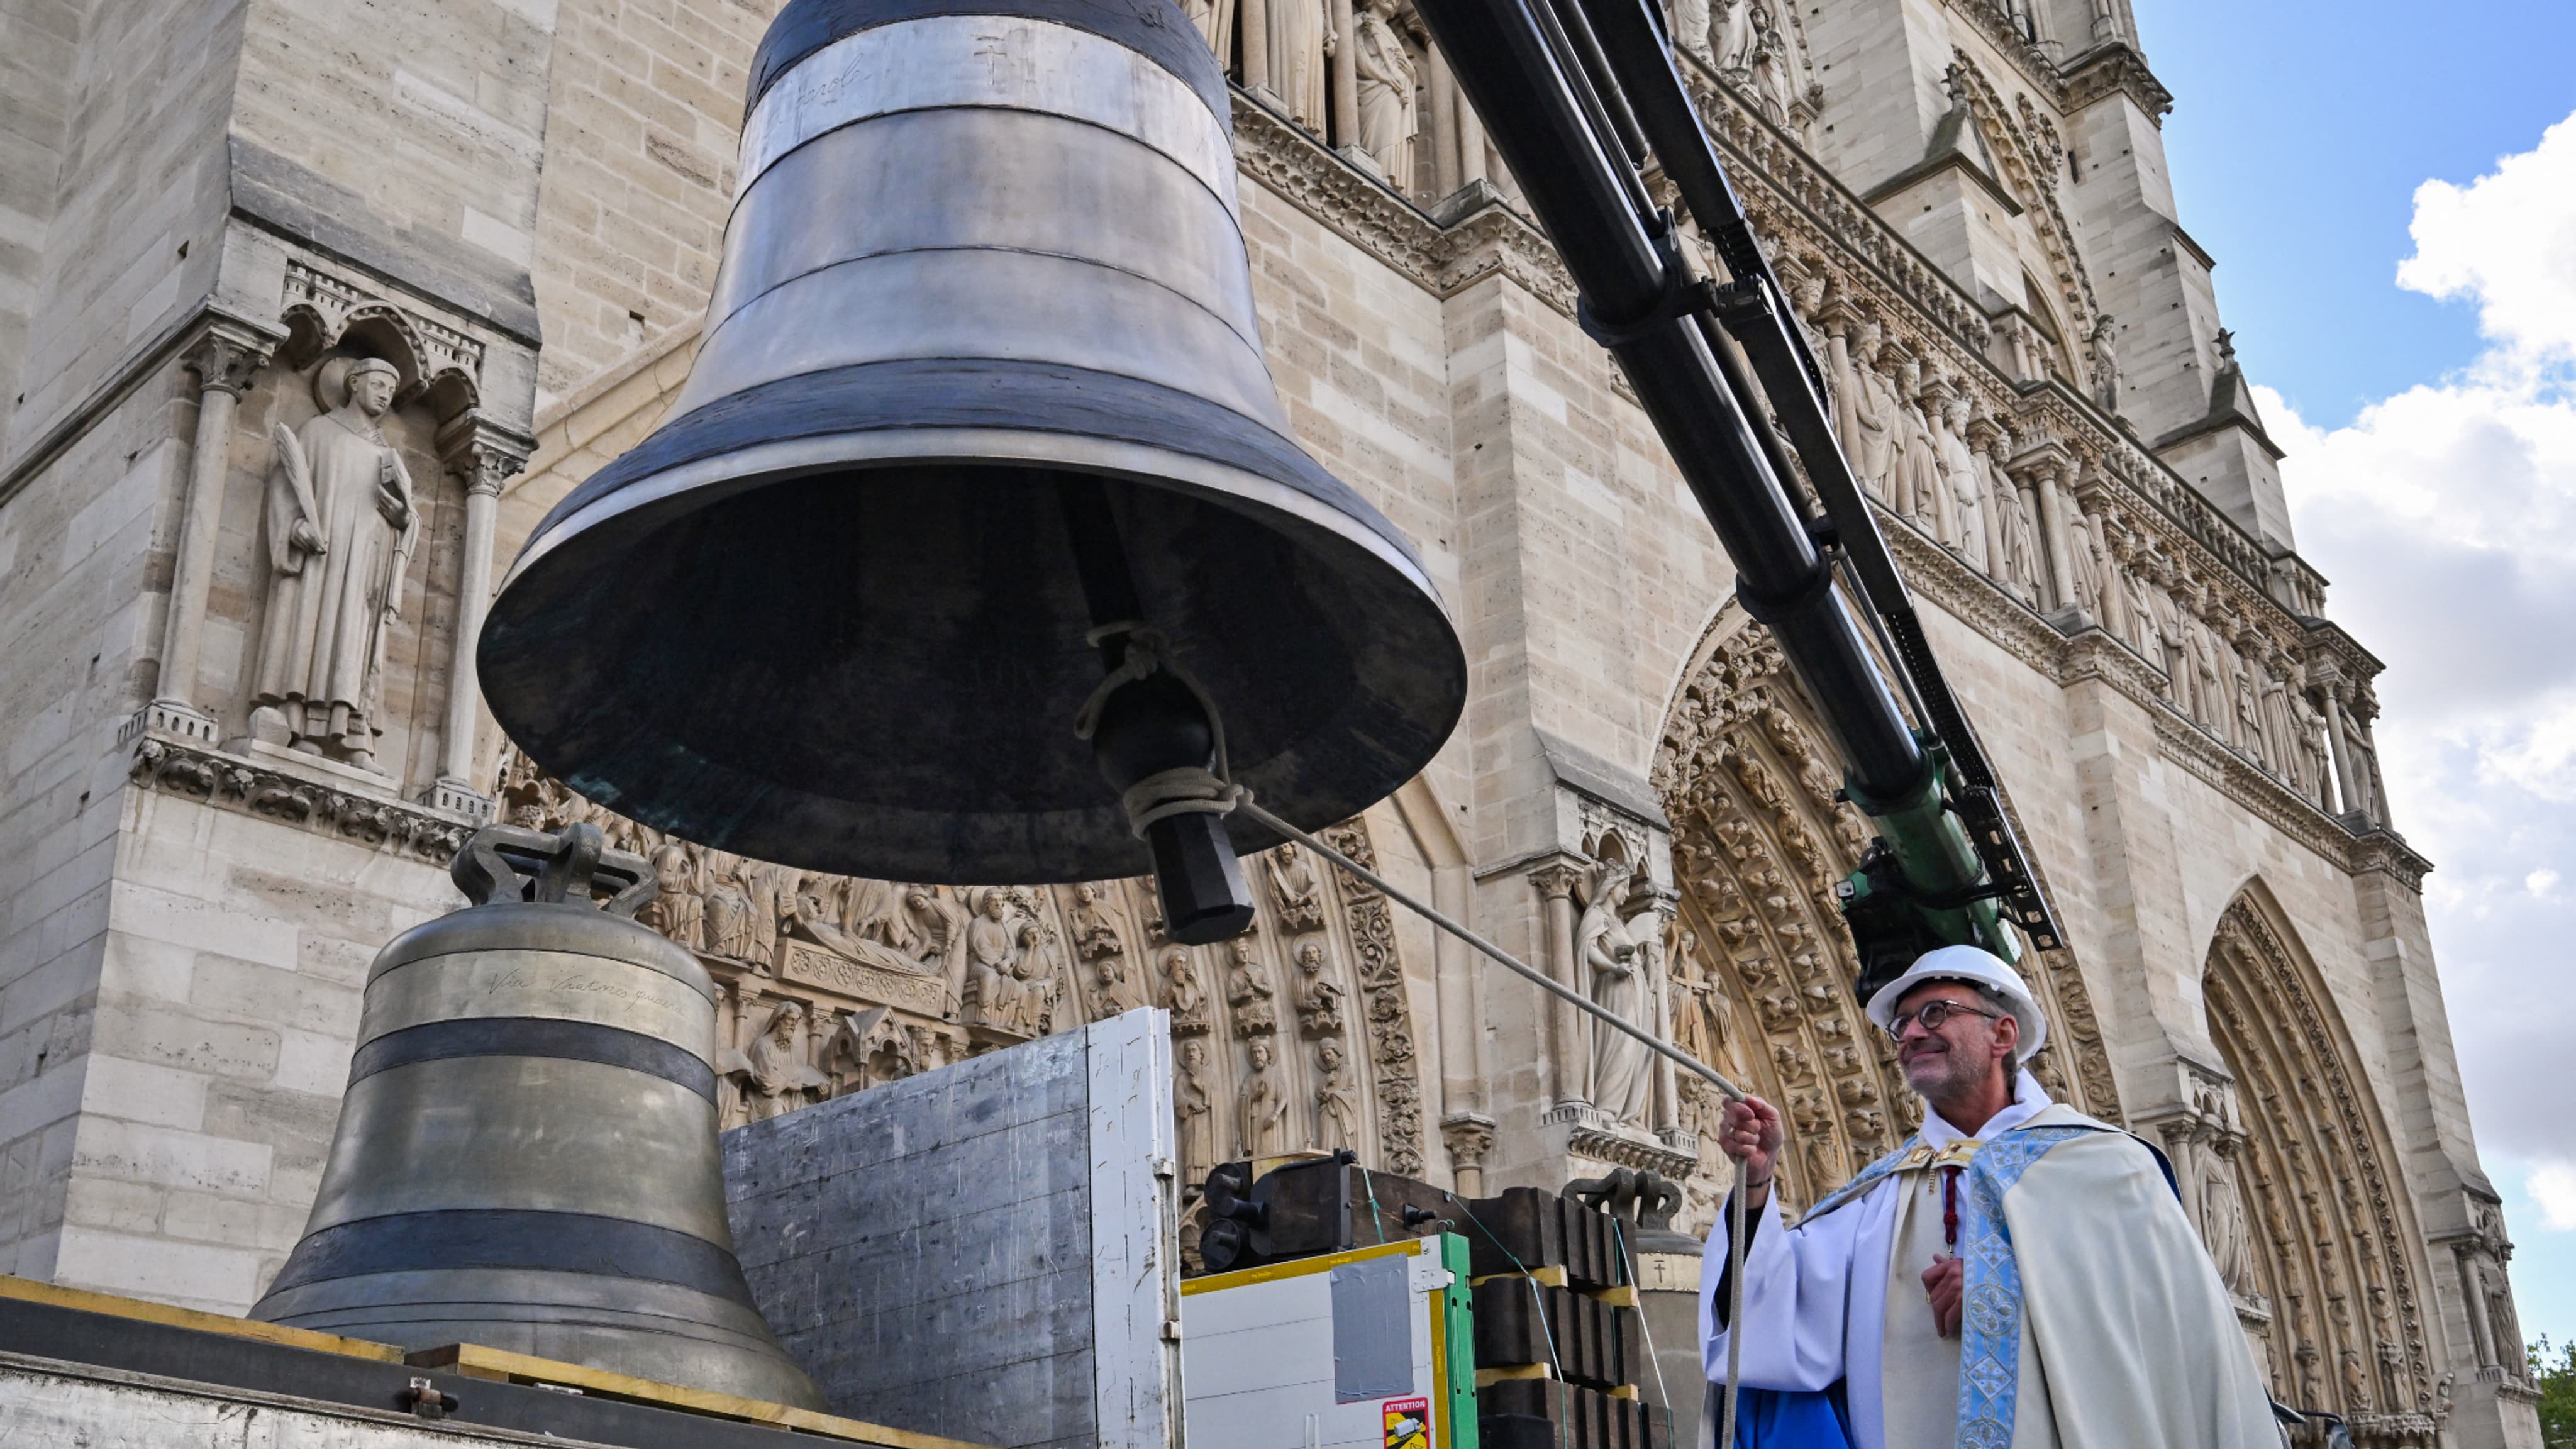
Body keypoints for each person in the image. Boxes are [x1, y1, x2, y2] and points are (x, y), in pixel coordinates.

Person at [1701, 945, 2274, 1448]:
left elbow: (2171, 1329)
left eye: (1935, 1013)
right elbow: (1766, 1320)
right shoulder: (1880, 1195)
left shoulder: (2105, 1165)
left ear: (2003, 1035)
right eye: (1901, 1026)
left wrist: (1998, 1288)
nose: (1912, 1034)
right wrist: (1757, 1180)